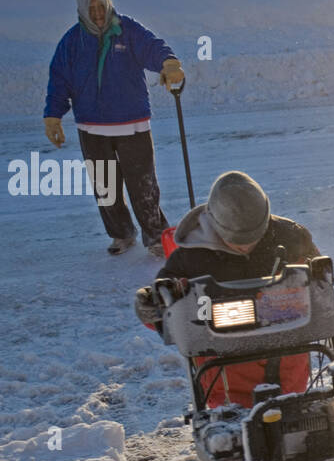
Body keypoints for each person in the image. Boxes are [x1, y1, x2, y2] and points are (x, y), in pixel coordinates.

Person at [134, 171, 322, 407]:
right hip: (225, 377)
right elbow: (166, 303)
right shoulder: (191, 255)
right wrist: (150, 306)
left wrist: (315, 275)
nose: (246, 246)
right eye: (237, 240)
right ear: (214, 223)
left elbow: (320, 284)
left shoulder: (292, 236)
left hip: (289, 367)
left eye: (254, 237)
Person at [44, 0, 184, 256]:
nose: (97, 14)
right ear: (82, 12)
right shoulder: (72, 42)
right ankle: (121, 234)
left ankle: (156, 236)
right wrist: (53, 116)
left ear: (108, 5)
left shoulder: (127, 30)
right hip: (91, 126)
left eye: (101, 7)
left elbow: (152, 47)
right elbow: (59, 80)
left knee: (143, 183)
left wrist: (168, 63)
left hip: (132, 122)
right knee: (105, 186)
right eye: (91, 9)